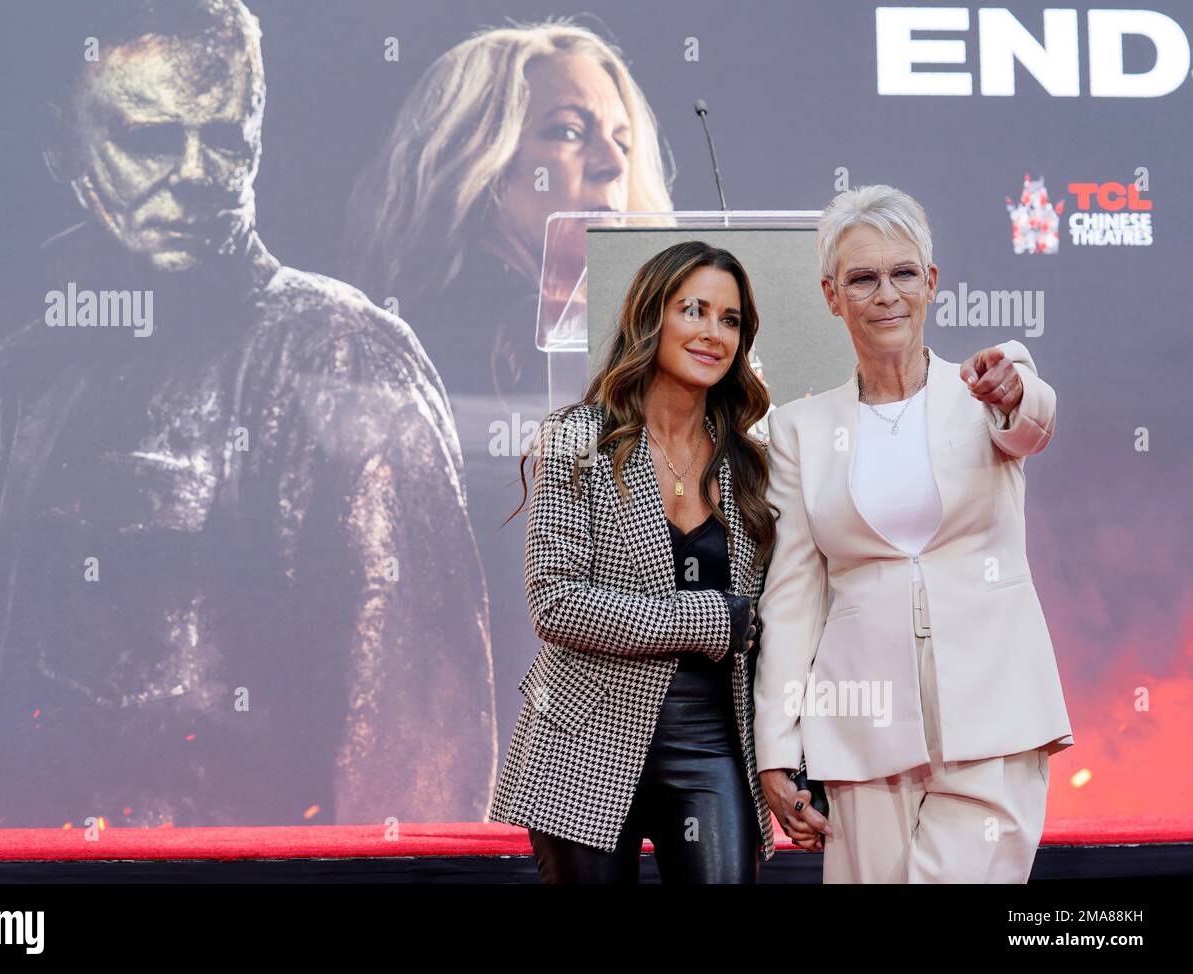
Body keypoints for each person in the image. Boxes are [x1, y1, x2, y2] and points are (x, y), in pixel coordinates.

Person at [0, 0, 495, 829]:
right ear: (60, 146)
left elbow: (420, 738)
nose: (200, 174)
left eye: (227, 138)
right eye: (150, 139)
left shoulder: (340, 356)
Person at [343, 19, 676, 775]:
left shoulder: (654, 347)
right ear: (482, 161)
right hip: (477, 774)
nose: (608, 164)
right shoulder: (407, 340)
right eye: (568, 132)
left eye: (623, 142)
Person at [754, 185, 1073, 883]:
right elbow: (793, 598)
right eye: (862, 278)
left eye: (902, 273)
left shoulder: (988, 385)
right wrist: (775, 746)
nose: (885, 294)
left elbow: (1033, 422)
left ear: (930, 284)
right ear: (832, 296)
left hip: (995, 716)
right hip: (863, 730)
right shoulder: (798, 429)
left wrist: (1017, 391)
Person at [489, 241, 776, 883]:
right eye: (693, 310)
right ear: (652, 319)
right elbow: (556, 603)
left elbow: (771, 618)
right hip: (584, 739)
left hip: (712, 744)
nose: (712, 333)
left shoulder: (752, 462)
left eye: (729, 320)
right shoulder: (579, 439)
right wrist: (707, 619)